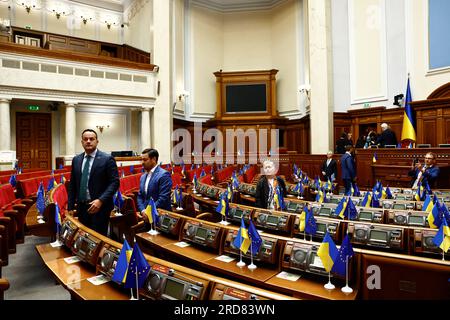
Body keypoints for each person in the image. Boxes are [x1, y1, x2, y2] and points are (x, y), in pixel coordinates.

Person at [68, 129, 120, 236]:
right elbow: (73, 184)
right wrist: (70, 207)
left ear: (97, 141)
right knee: (83, 237)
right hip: (82, 207)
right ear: (81, 142)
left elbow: (114, 183)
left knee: (98, 239)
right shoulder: (76, 159)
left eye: (91, 139)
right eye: (85, 139)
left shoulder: (107, 159)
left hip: (100, 208)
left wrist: (100, 200)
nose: (88, 141)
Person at [136, 148, 172, 224]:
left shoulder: (164, 175)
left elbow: (163, 198)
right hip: (145, 216)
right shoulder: (143, 176)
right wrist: (142, 211)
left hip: (160, 217)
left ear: (154, 159)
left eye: (145, 160)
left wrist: (148, 211)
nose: (142, 162)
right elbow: (140, 196)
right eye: (141, 160)